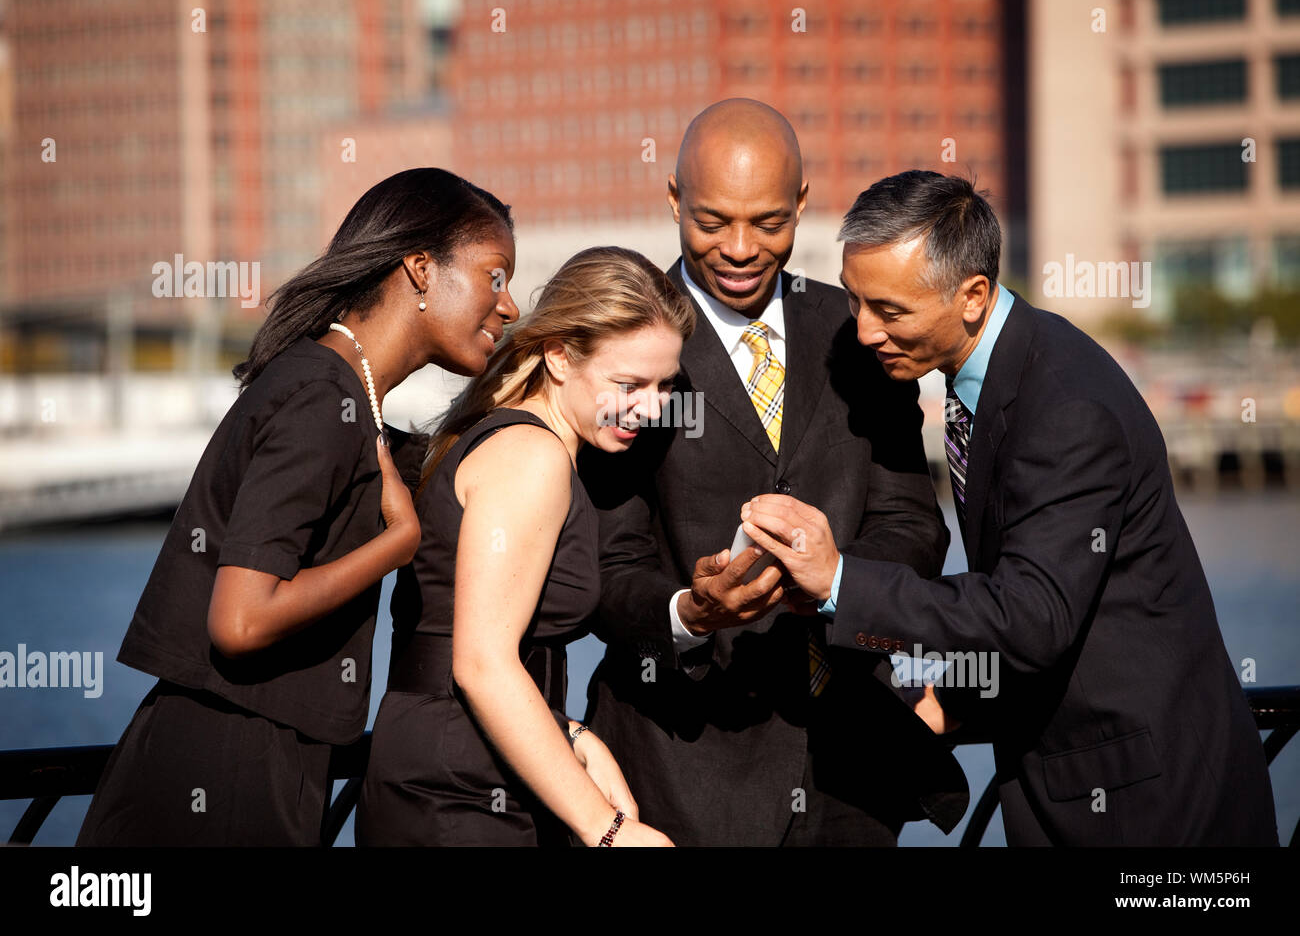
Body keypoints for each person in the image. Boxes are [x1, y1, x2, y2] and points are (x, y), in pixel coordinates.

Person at [742, 169, 1280, 846]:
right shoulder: (1004, 371)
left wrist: (840, 581)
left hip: (1151, 809)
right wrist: (952, 688)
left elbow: (1032, 617)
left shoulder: (1066, 408)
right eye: (854, 301)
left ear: (972, 297)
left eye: (889, 310)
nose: (865, 331)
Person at [77, 168, 521, 846]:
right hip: (228, 772)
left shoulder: (344, 398)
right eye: (495, 277)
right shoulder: (323, 398)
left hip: (253, 759)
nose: (510, 305)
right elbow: (241, 621)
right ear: (421, 269)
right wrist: (392, 548)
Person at [575, 99, 969, 846]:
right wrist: (691, 611)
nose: (741, 248)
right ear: (673, 201)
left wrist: (836, 582)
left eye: (768, 222)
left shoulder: (860, 334)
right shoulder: (623, 349)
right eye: (712, 221)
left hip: (848, 776)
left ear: (802, 204)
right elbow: (608, 564)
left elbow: (913, 521)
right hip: (678, 775)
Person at [356, 246, 690, 847]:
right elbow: (481, 664)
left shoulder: (510, 440)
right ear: (559, 356)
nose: (653, 407)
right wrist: (608, 830)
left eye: (665, 384)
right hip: (457, 786)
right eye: (629, 383)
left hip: (453, 762)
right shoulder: (531, 457)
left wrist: (572, 736)